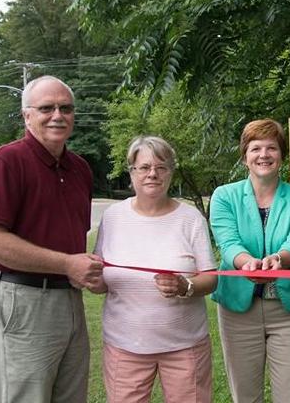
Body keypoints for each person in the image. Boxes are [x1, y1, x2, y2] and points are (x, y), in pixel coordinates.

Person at [0, 75, 103, 403]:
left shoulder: (80, 169)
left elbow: (71, 236)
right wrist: (66, 264)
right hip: (23, 299)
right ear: (27, 115)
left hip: (69, 299)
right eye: (46, 108)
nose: (58, 115)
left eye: (66, 108)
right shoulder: (6, 161)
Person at [90, 136, 217, 403]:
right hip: (125, 347)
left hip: (185, 347)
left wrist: (186, 286)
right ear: (131, 172)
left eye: (161, 167)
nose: (152, 174)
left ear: (171, 172)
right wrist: (92, 279)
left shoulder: (190, 218)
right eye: (144, 167)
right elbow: (102, 279)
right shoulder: (113, 217)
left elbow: (211, 278)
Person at [209, 119, 290, 403]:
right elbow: (228, 243)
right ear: (245, 156)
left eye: (272, 147)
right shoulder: (224, 196)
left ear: (282, 155)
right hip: (238, 311)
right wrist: (248, 264)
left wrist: (280, 259)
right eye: (255, 148)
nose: (264, 154)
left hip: (289, 311)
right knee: (245, 396)